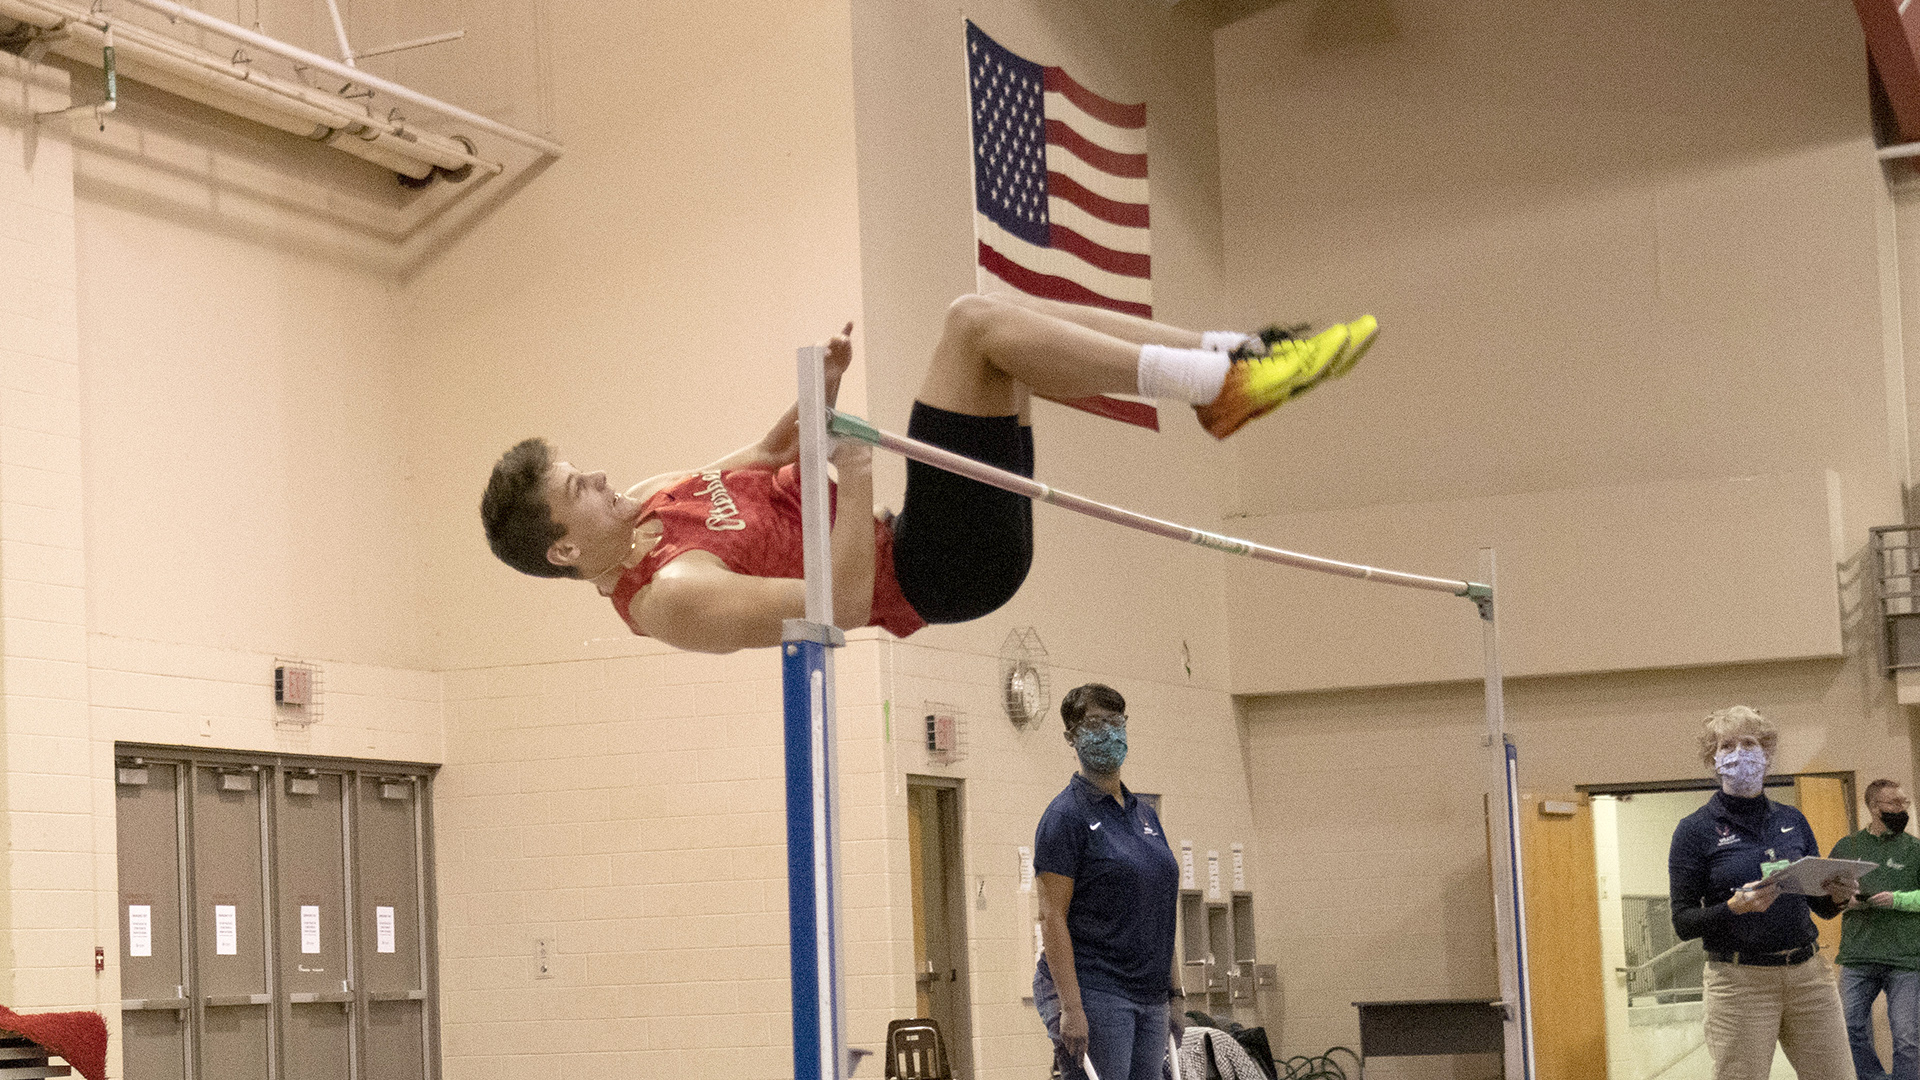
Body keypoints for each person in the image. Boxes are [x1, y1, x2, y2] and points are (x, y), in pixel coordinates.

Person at [481, 294, 1376, 653]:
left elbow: (765, 455)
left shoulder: (653, 493)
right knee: (974, 325)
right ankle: (1218, 382)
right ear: (563, 551)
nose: (598, 477)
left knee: (1007, 336)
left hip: (922, 536)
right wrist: (858, 472)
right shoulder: (668, 596)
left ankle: (1230, 363)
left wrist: (818, 391)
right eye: (576, 490)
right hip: (936, 573)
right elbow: (839, 604)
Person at [1668, 705, 1858, 1080]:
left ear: (1767, 753)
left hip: (1809, 975)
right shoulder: (1694, 830)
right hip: (1740, 983)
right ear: (1713, 759)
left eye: (1750, 743)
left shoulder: (1792, 819)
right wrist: (1733, 908)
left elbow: (1819, 905)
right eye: (1727, 745)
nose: (1739, 753)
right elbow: (1684, 922)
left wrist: (1837, 895)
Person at [1032, 684, 1179, 1080]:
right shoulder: (1065, 818)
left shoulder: (1145, 815)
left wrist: (1174, 990)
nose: (1109, 732)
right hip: (1099, 990)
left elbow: (1161, 905)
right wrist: (1072, 1008)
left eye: (1116, 722)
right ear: (1071, 737)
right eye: (1095, 723)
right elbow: (1052, 917)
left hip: (1151, 994)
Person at [1831, 779, 1920, 1080]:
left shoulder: (1914, 849)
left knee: (1908, 1038)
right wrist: (1845, 900)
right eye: (1893, 804)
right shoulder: (1847, 846)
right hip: (1858, 955)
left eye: (1903, 803)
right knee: (1848, 1027)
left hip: (1906, 958)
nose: (1901, 809)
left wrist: (1897, 900)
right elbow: (1827, 894)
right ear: (1872, 807)